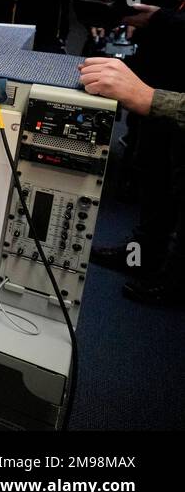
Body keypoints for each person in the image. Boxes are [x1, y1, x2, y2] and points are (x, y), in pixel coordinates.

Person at [80, 50, 185, 306]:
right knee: (152, 169)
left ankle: (174, 282)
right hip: (166, 85)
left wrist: (153, 99)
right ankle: (142, 255)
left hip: (162, 98)